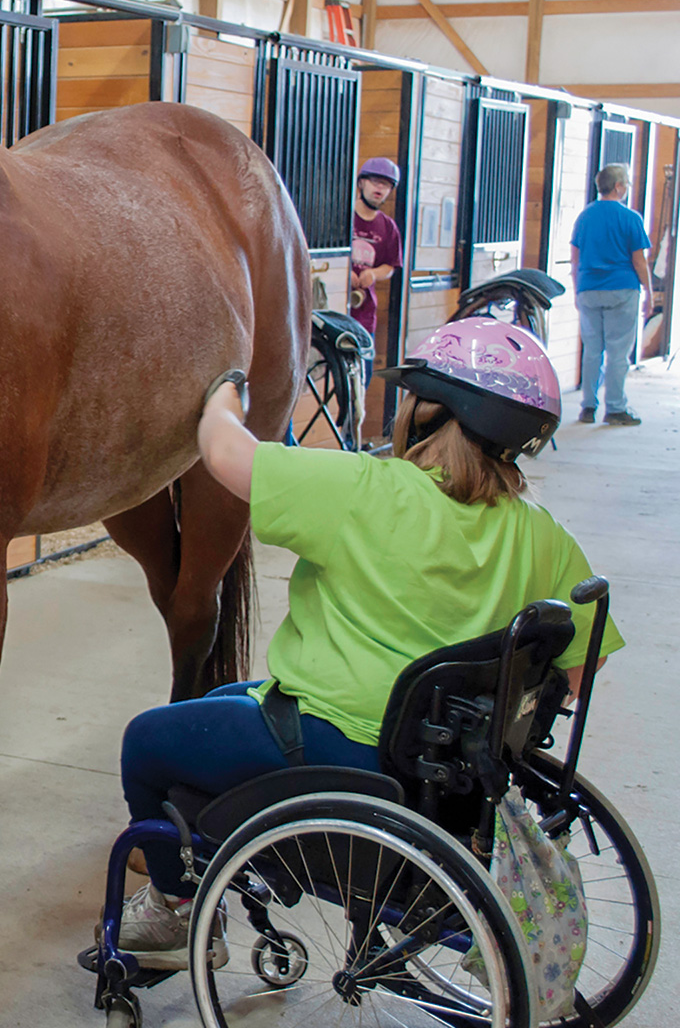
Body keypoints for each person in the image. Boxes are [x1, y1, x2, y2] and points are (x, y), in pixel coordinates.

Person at [107, 318, 623, 971]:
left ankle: (177, 912)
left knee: (147, 742)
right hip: (444, 764)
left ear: (430, 413)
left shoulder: (365, 490)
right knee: (229, 700)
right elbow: (579, 671)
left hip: (339, 744)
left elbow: (225, 453)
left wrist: (223, 393)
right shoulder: (544, 536)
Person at [571, 163, 652, 427]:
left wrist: (577, 290)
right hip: (621, 289)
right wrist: (649, 292)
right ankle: (615, 408)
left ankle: (588, 407)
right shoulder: (630, 218)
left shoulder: (584, 217)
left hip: (589, 289)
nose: (627, 188)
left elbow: (575, 258)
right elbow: (639, 261)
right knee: (618, 353)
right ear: (618, 186)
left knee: (592, 351)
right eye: (626, 183)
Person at [350, 157, 404, 383]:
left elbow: (391, 266)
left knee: (364, 376)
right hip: (335, 307)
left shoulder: (388, 226)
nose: (380, 188)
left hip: (365, 312)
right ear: (361, 183)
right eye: (375, 181)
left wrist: (373, 274)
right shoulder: (344, 215)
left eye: (387, 184)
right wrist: (344, 272)